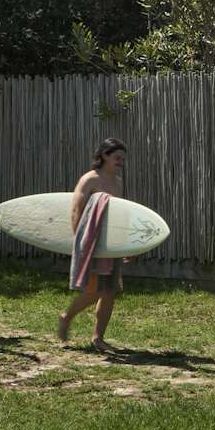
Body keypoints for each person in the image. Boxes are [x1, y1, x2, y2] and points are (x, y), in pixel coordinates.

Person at [58, 137, 129, 348]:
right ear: (104, 156)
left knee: (110, 291)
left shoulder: (118, 182)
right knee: (95, 289)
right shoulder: (90, 179)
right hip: (92, 243)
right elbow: (76, 210)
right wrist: (81, 243)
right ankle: (66, 317)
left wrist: (125, 244)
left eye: (122, 158)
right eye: (117, 158)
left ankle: (98, 337)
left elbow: (118, 215)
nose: (120, 162)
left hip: (110, 242)